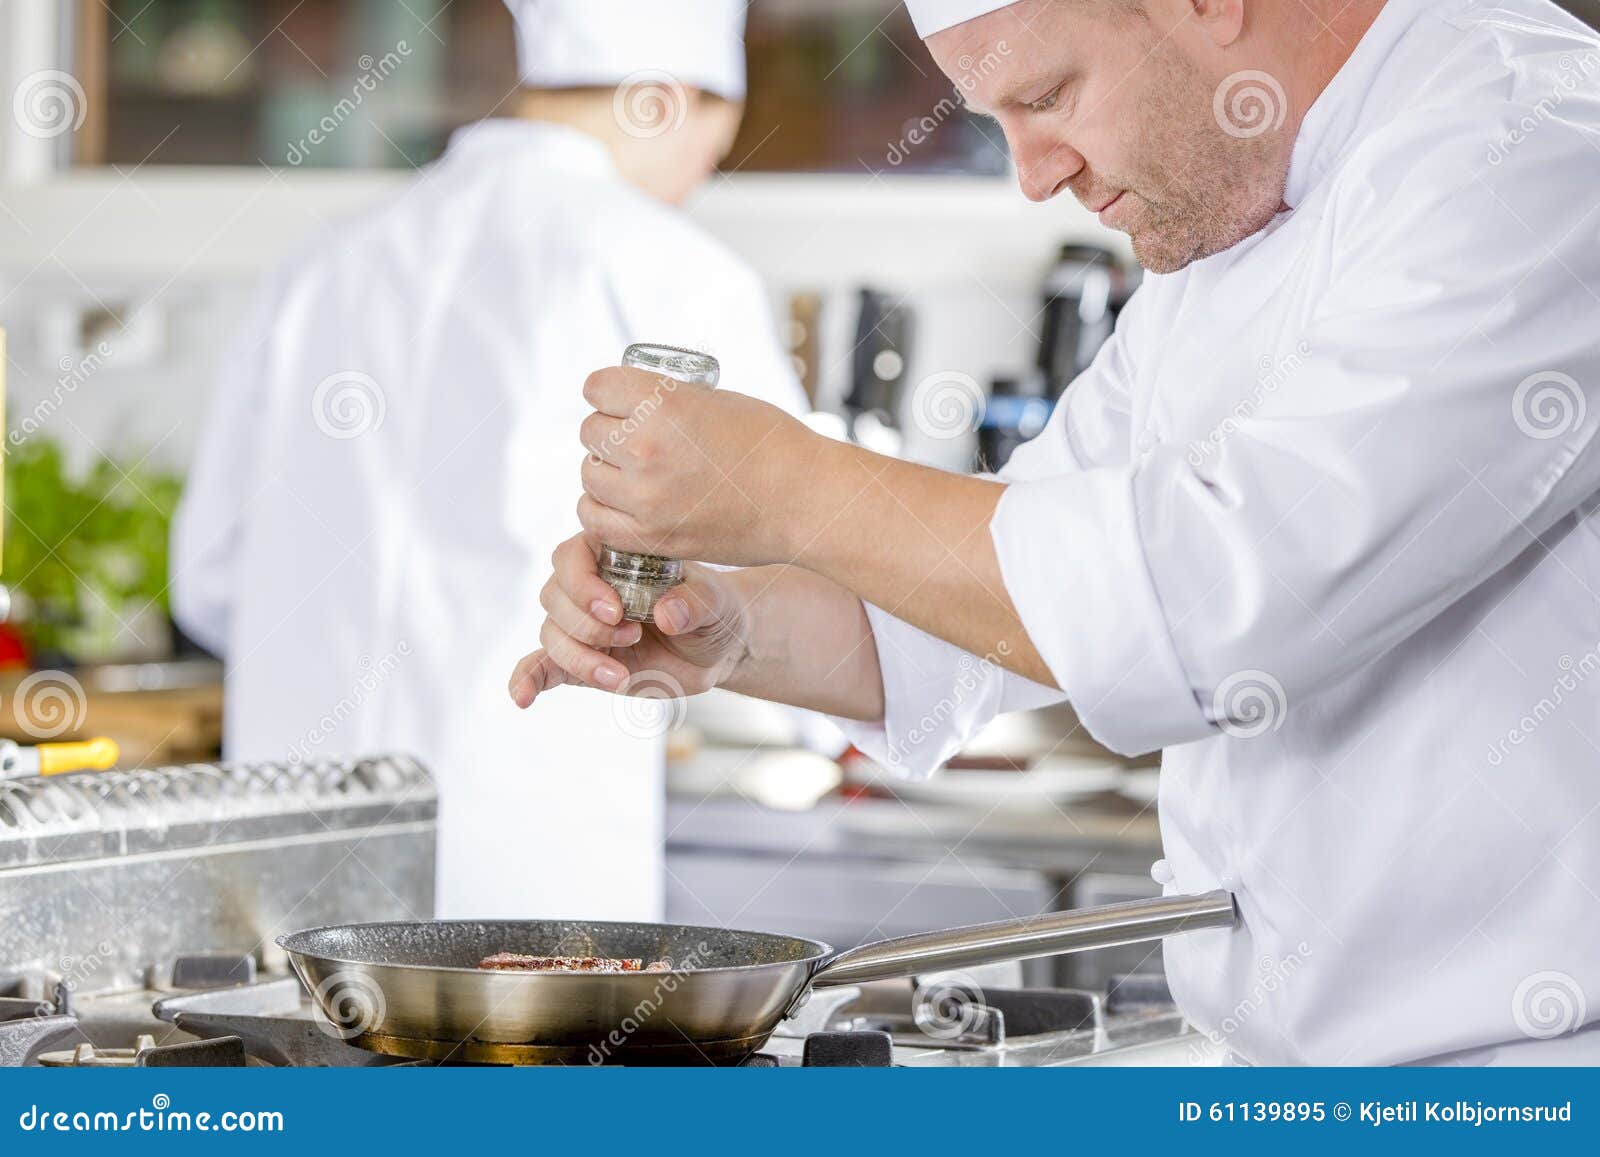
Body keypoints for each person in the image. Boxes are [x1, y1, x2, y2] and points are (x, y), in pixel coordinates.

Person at [513, 0, 1600, 1064]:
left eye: (1045, 94)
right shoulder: (1229, 215)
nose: (1035, 176)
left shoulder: (1535, 143)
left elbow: (1223, 591)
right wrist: (734, 625)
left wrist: (788, 485)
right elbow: (1003, 586)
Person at [172, 0, 805, 922]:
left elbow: (208, 577)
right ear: (669, 101)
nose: (702, 177)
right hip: (520, 861)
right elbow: (796, 558)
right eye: (716, 145)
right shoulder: (674, 271)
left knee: (281, 1056)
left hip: (282, 868)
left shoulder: (322, 265)